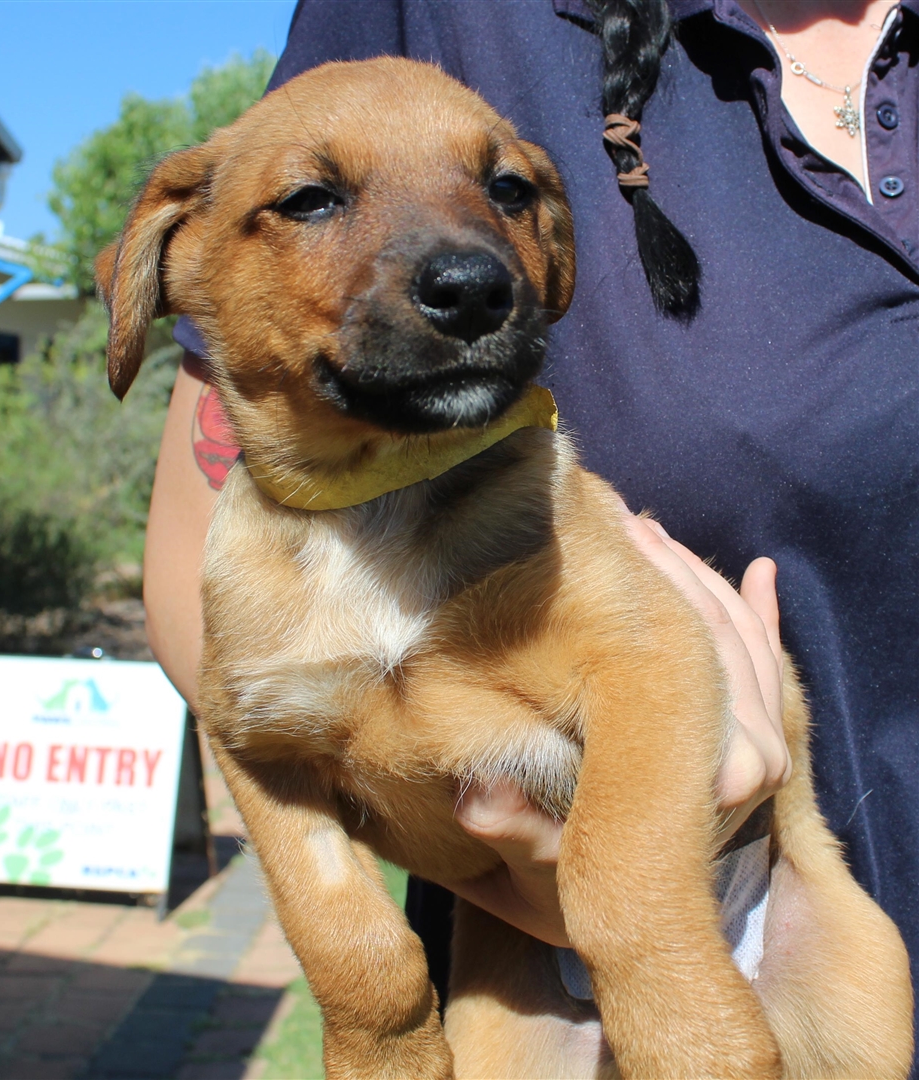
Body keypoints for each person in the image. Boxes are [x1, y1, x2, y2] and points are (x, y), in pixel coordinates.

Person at [141, 0, 917, 1061]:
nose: (467, 267)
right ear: (177, 258)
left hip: (809, 901)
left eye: (503, 193)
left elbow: (645, 666)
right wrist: (377, 1002)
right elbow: (245, 715)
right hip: (514, 956)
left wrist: (635, 927)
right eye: (319, 199)